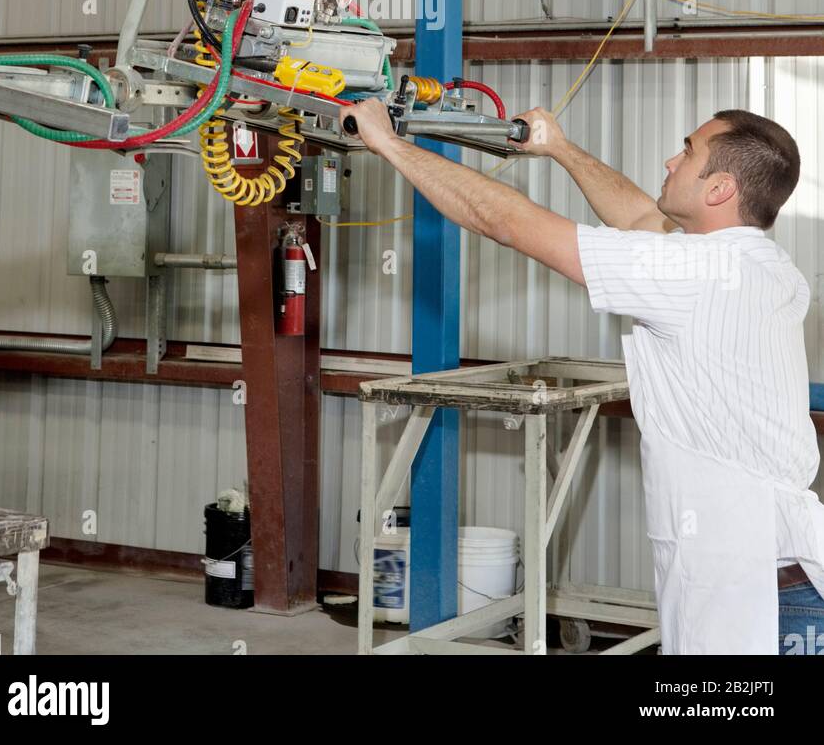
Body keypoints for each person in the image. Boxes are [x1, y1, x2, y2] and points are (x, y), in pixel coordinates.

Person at [346, 98, 824, 655]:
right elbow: (644, 221)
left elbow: (502, 221)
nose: (671, 161)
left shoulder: (698, 273)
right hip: (775, 566)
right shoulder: (765, 267)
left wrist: (387, 142)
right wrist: (559, 148)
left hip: (743, 583)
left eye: (688, 153)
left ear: (719, 189)